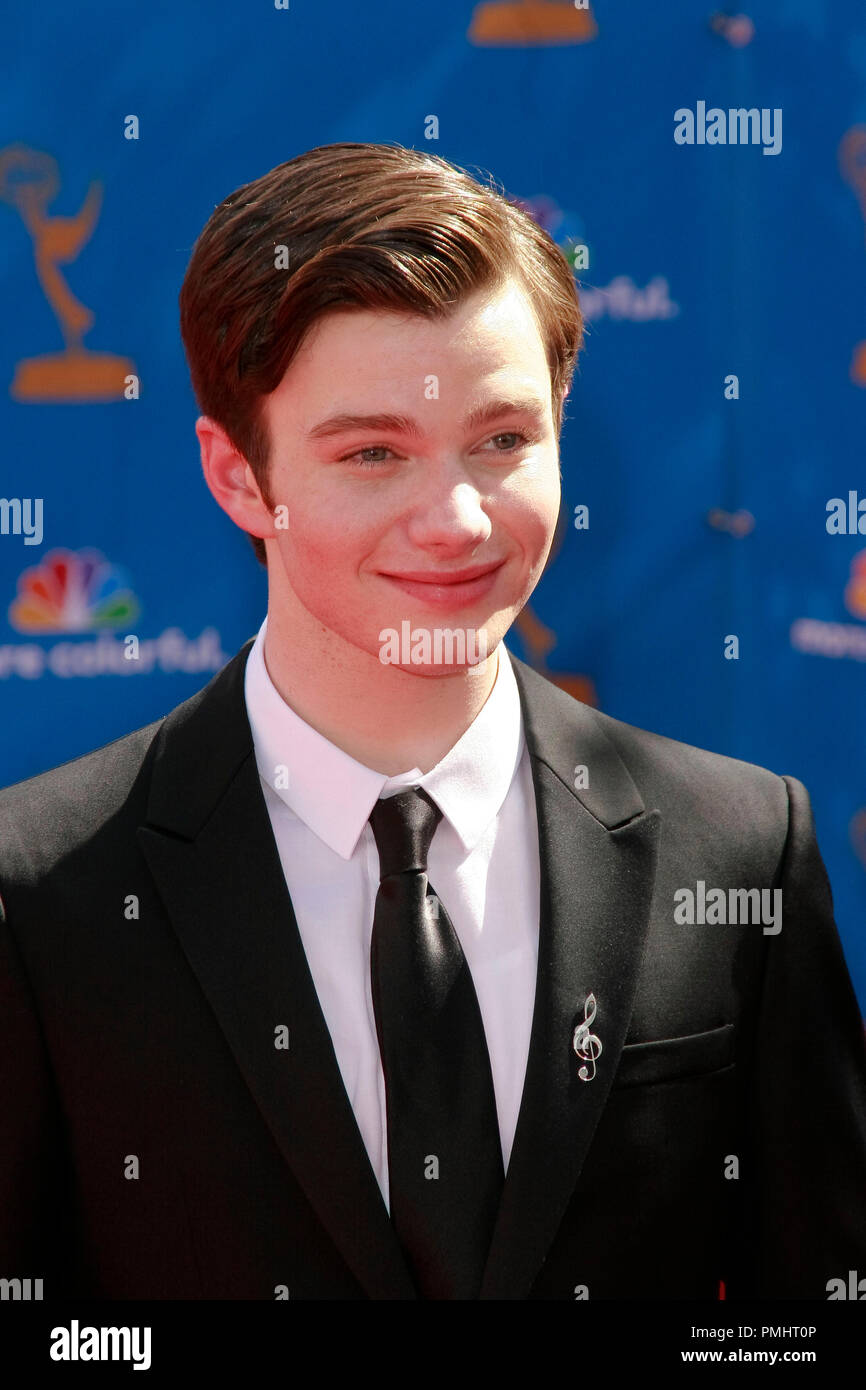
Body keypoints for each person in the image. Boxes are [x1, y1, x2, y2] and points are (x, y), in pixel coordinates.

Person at [1, 142, 864, 1301]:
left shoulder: (742, 845)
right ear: (238, 477)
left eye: (503, 439)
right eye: (372, 454)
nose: (456, 520)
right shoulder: (42, 891)